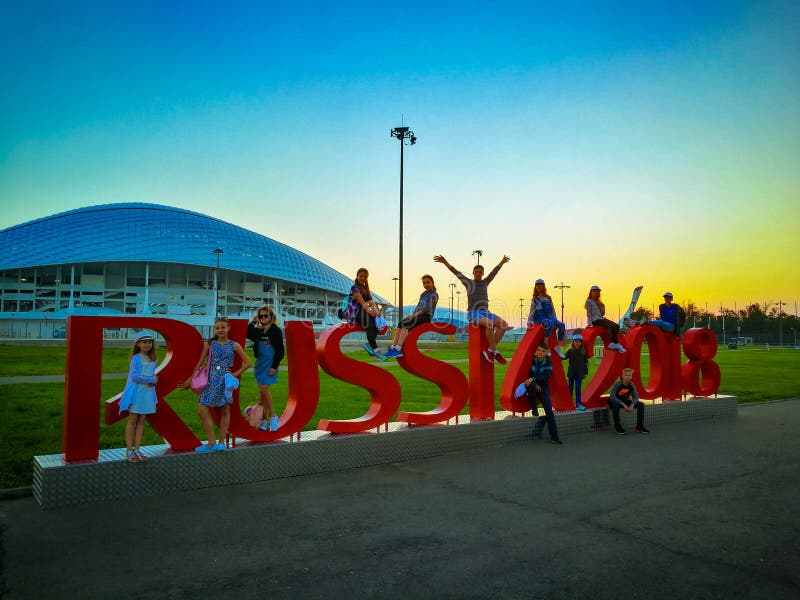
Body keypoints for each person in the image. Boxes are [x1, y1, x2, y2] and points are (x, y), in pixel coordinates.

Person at [181, 318, 252, 452]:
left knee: (225, 410)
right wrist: (191, 378)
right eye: (217, 328)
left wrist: (234, 374)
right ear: (215, 329)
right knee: (201, 410)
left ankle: (221, 443)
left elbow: (248, 363)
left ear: (228, 328)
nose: (220, 330)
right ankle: (211, 442)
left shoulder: (234, 345)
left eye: (223, 327)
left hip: (224, 380)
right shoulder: (210, 344)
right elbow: (201, 362)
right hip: (210, 378)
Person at [434, 254, 512, 364]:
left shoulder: (485, 282)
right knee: (489, 324)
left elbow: (494, 272)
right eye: (477, 271)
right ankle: (495, 352)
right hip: (473, 313)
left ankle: (489, 350)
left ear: (483, 273)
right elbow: (456, 272)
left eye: (480, 272)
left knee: (503, 324)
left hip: (486, 312)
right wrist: (445, 262)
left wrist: (502, 262)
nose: (478, 273)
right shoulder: (468, 282)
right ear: (473, 272)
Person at [119, 330, 158, 462]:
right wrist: (151, 380)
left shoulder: (153, 358)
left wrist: (153, 381)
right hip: (137, 392)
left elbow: (152, 374)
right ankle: (129, 450)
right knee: (133, 419)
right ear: (138, 344)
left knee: (142, 420)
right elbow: (134, 376)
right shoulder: (135, 358)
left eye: (149, 342)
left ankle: (137, 448)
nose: (147, 345)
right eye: (144, 342)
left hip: (147, 393)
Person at [247, 305, 284, 431]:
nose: (263, 318)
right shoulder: (259, 331)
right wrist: (253, 321)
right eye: (260, 316)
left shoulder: (276, 331)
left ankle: (273, 416)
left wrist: (274, 367)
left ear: (271, 317)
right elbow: (248, 333)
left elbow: (280, 351)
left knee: (264, 390)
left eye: (265, 315)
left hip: (270, 365)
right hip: (260, 364)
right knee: (262, 394)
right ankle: (263, 421)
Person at [385, 274, 439, 358]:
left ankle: (399, 349)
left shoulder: (434, 295)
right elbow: (418, 307)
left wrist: (414, 316)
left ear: (432, 283)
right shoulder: (423, 294)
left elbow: (425, 308)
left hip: (426, 316)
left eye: (428, 282)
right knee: (400, 323)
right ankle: (393, 347)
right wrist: (412, 315)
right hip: (418, 315)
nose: (426, 285)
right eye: (424, 283)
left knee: (407, 324)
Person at [523, 343, 562, 444]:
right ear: (536, 351)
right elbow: (525, 374)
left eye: (543, 351)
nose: (540, 352)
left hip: (543, 388)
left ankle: (554, 437)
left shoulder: (548, 364)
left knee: (549, 412)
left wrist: (534, 379)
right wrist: (534, 382)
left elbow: (545, 377)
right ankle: (534, 409)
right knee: (530, 385)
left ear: (546, 352)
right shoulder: (531, 361)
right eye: (539, 350)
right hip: (531, 387)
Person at [344, 268, 386, 360]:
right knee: (370, 326)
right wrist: (370, 311)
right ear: (357, 276)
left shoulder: (365, 289)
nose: (362, 278)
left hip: (363, 311)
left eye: (365, 277)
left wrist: (376, 311)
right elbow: (362, 302)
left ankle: (369, 345)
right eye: (361, 276)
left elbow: (371, 302)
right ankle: (376, 351)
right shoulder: (354, 288)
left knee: (375, 325)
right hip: (355, 312)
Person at [527, 279, 567, 359]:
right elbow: (532, 311)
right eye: (537, 285)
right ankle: (546, 346)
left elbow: (552, 310)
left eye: (541, 285)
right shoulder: (535, 298)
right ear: (535, 287)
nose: (539, 286)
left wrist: (555, 320)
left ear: (544, 286)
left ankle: (558, 346)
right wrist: (529, 323)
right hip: (538, 317)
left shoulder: (548, 298)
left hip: (548, 317)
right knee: (550, 323)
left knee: (562, 325)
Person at [608, 368, 649, 435]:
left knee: (641, 404)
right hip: (615, 401)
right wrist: (624, 405)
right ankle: (617, 427)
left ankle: (639, 427)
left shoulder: (631, 385)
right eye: (626, 375)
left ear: (631, 376)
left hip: (625, 400)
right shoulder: (617, 384)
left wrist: (632, 405)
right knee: (615, 405)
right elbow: (612, 396)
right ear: (622, 376)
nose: (627, 377)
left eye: (629, 375)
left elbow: (636, 397)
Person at [585, 285, 625, 352]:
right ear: (591, 292)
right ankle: (614, 343)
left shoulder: (599, 302)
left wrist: (602, 306)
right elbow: (588, 313)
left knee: (616, 326)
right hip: (595, 320)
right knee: (614, 326)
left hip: (601, 319)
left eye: (597, 291)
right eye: (594, 291)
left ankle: (614, 343)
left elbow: (602, 313)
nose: (596, 293)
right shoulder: (589, 301)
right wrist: (589, 323)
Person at [561, 334, 589, 411]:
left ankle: (578, 404)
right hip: (571, 373)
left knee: (578, 388)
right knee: (570, 388)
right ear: (573, 342)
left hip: (579, 374)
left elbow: (586, 363)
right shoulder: (570, 351)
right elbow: (564, 357)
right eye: (576, 341)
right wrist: (559, 354)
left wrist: (586, 372)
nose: (577, 343)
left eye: (579, 341)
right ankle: (569, 403)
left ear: (581, 342)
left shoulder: (583, 351)